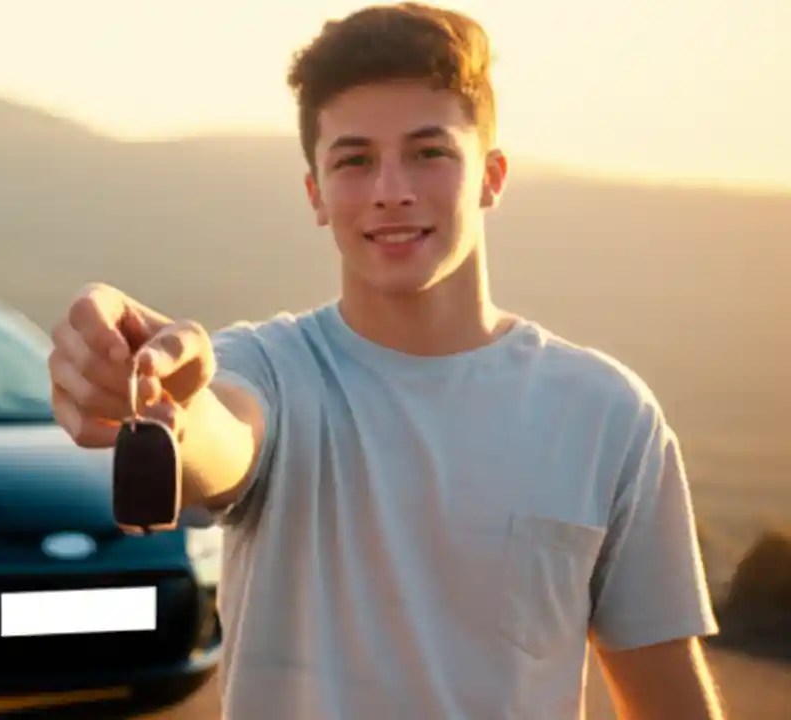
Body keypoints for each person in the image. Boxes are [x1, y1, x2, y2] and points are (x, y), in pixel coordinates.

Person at [47, 3, 724, 718]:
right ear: (316, 193)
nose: (390, 190)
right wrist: (172, 407)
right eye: (354, 160)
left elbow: (666, 697)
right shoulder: (271, 371)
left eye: (429, 152)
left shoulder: (607, 415)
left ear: (492, 176)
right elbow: (222, 433)